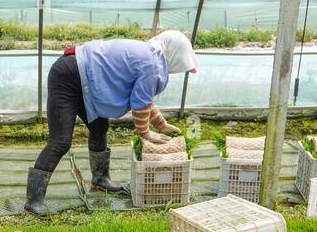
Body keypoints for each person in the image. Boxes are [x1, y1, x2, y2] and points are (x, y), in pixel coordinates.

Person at [24, 30, 199, 216]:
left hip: (86, 79)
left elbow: (142, 96)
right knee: (60, 142)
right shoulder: (152, 64)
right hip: (69, 76)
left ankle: (100, 181)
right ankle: (33, 202)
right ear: (175, 55)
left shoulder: (151, 56)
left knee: (99, 128)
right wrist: (145, 132)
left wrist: (160, 124)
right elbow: (140, 104)